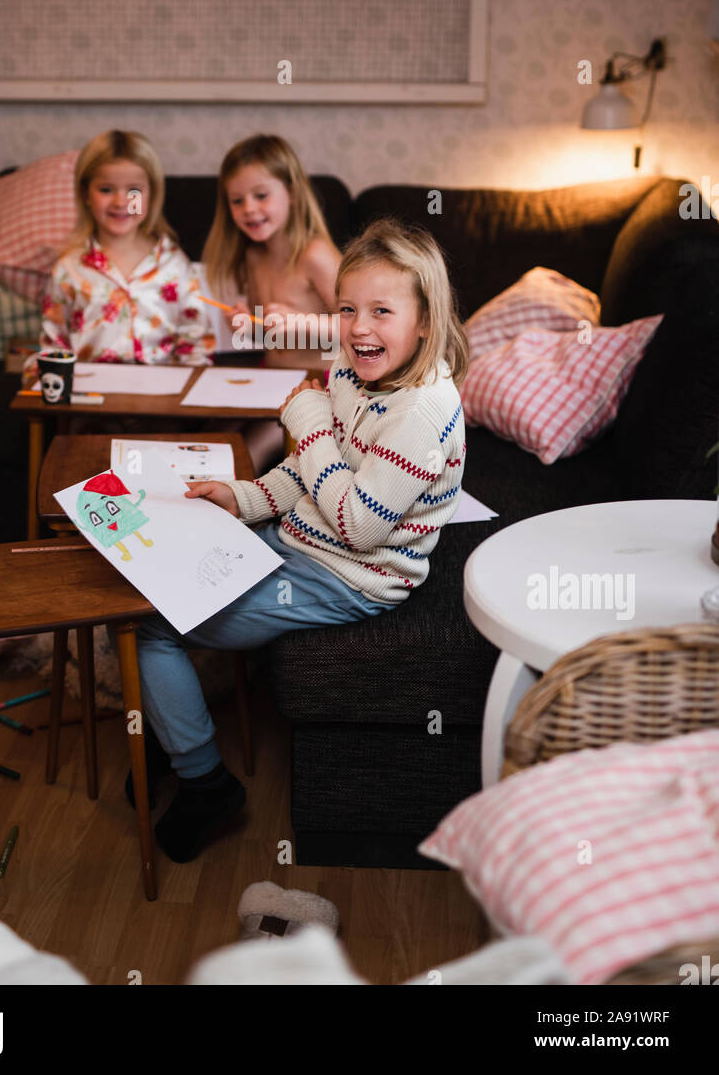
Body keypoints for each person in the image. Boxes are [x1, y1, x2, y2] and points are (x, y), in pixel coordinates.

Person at [126, 217, 469, 863]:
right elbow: (311, 472)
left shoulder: (421, 413)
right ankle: (170, 724)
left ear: (424, 320)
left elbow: (357, 525)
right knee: (158, 562)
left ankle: (204, 782)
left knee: (153, 625)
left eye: (380, 312)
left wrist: (306, 420)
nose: (358, 328)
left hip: (351, 574)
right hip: (306, 540)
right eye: (346, 310)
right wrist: (244, 498)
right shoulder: (349, 366)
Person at [24, 130, 214, 385]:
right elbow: (53, 345)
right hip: (90, 402)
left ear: (152, 194)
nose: (120, 201)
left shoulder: (175, 264)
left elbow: (196, 344)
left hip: (162, 405)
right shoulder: (69, 269)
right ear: (85, 195)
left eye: (133, 190)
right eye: (105, 189)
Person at [202, 133, 341, 372]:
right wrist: (250, 329)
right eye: (237, 201)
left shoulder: (315, 256)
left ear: (293, 193)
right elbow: (274, 338)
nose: (249, 208)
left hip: (324, 381)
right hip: (273, 377)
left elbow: (363, 327)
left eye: (261, 195)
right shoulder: (254, 258)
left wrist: (303, 322)